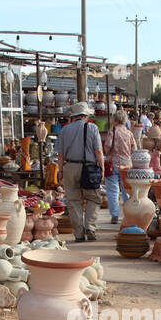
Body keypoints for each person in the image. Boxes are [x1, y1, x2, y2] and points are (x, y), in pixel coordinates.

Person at [58, 101, 105, 241]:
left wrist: (60, 171)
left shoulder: (64, 130)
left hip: (70, 167)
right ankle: (90, 227)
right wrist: (101, 168)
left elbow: (60, 155)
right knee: (93, 198)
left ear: (74, 116)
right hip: (89, 168)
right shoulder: (92, 128)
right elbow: (98, 151)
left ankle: (79, 233)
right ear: (85, 115)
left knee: (73, 201)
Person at [103, 109, 136, 224]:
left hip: (113, 163)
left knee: (113, 190)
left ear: (115, 120)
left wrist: (108, 153)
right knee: (126, 190)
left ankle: (115, 215)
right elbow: (134, 149)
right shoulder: (129, 133)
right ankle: (128, 213)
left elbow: (107, 146)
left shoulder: (112, 131)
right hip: (127, 164)